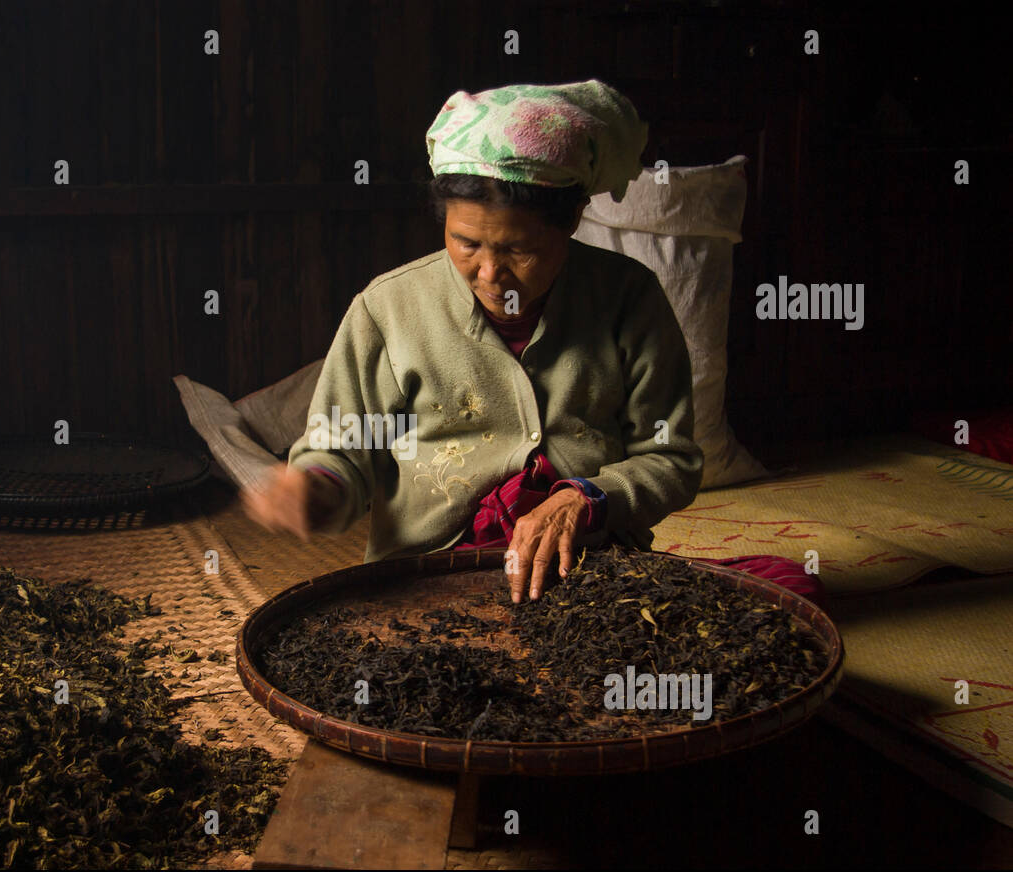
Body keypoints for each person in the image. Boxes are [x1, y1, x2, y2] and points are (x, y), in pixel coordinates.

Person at [243, 79, 828, 609]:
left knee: (791, 591)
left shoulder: (629, 299)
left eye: (518, 250)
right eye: (465, 243)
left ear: (572, 218)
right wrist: (314, 490)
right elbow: (344, 449)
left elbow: (671, 458)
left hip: (586, 568)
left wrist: (588, 497)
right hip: (430, 577)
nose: (490, 274)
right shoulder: (387, 308)